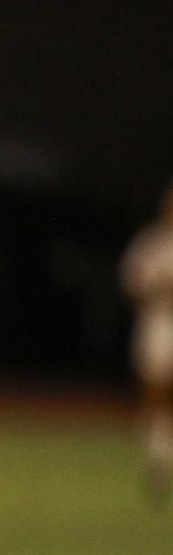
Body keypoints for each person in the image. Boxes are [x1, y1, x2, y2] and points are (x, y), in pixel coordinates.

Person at [121, 185, 173, 506]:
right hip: (157, 323)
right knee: (154, 391)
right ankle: (158, 457)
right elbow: (131, 284)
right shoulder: (150, 244)